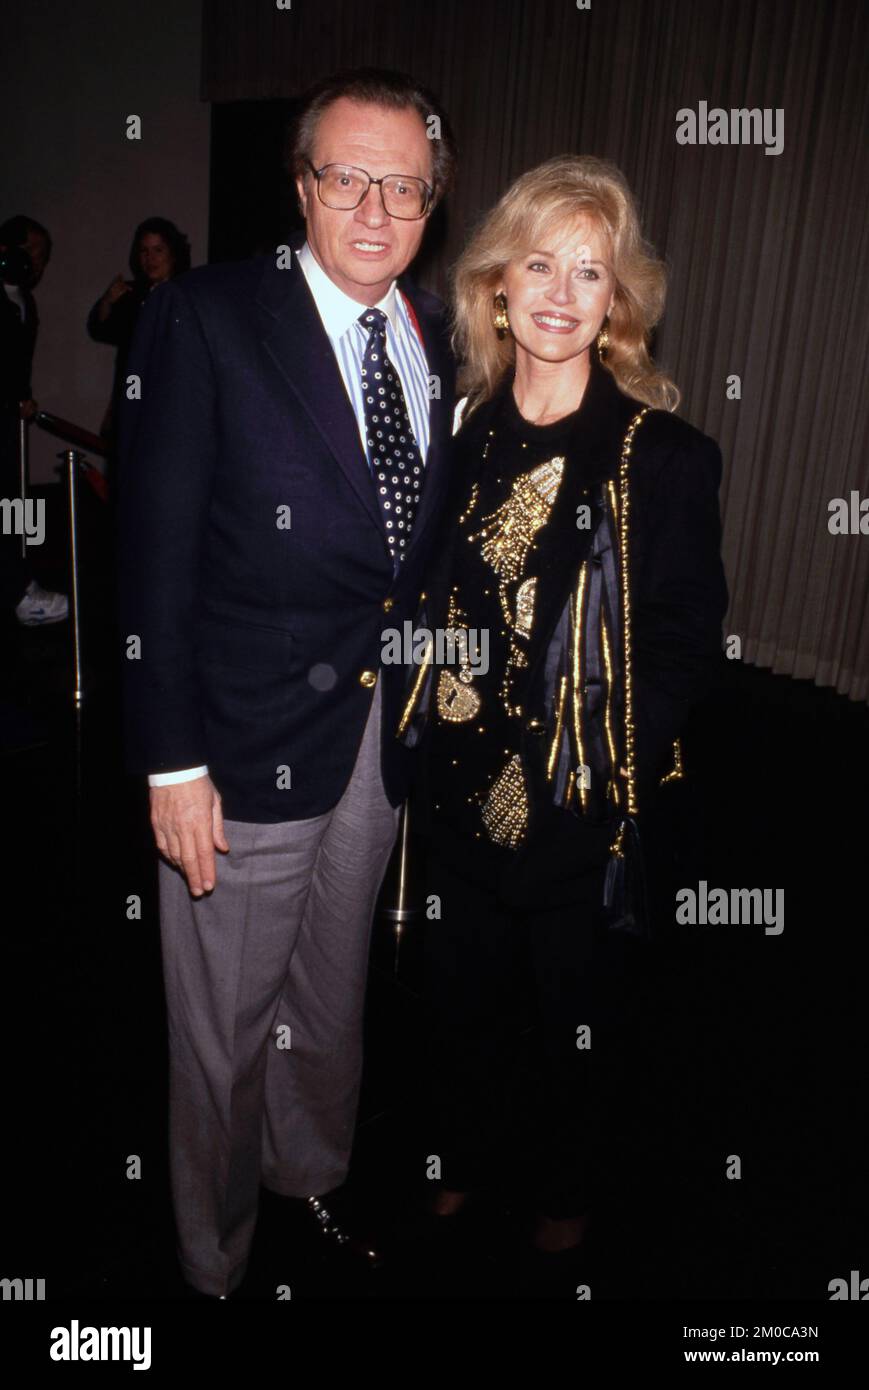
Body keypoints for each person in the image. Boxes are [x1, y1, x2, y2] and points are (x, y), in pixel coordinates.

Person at [117, 67, 457, 1298]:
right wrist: (171, 761)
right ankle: (212, 1258)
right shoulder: (207, 317)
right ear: (301, 185)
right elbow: (148, 558)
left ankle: (307, 1179)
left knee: (333, 987)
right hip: (235, 744)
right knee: (220, 1028)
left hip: (376, 737)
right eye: (346, 177)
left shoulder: (434, 332)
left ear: (431, 202)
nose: (374, 207)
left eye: (404, 186)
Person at [397, 155, 728, 1265]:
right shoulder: (463, 426)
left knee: (574, 1024)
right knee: (457, 1008)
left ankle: (568, 1183)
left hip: (574, 809)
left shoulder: (661, 457)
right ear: (495, 283)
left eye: (587, 272)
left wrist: (605, 767)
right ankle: (460, 1153)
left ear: (615, 304)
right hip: (449, 792)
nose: (556, 290)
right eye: (537, 262)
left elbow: (683, 643)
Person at [0, 215, 68, 627]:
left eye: (44, 257)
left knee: (17, 504)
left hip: (11, 424)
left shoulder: (26, 300)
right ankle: (19, 589)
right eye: (32, 253)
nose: (38, 264)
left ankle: (21, 582)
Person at [87, 217, 191, 445]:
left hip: (171, 402)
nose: (150, 258)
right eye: (144, 251)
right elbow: (101, 330)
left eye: (158, 250)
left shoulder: (188, 294)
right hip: (133, 398)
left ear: (173, 253)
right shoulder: (133, 294)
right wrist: (108, 301)